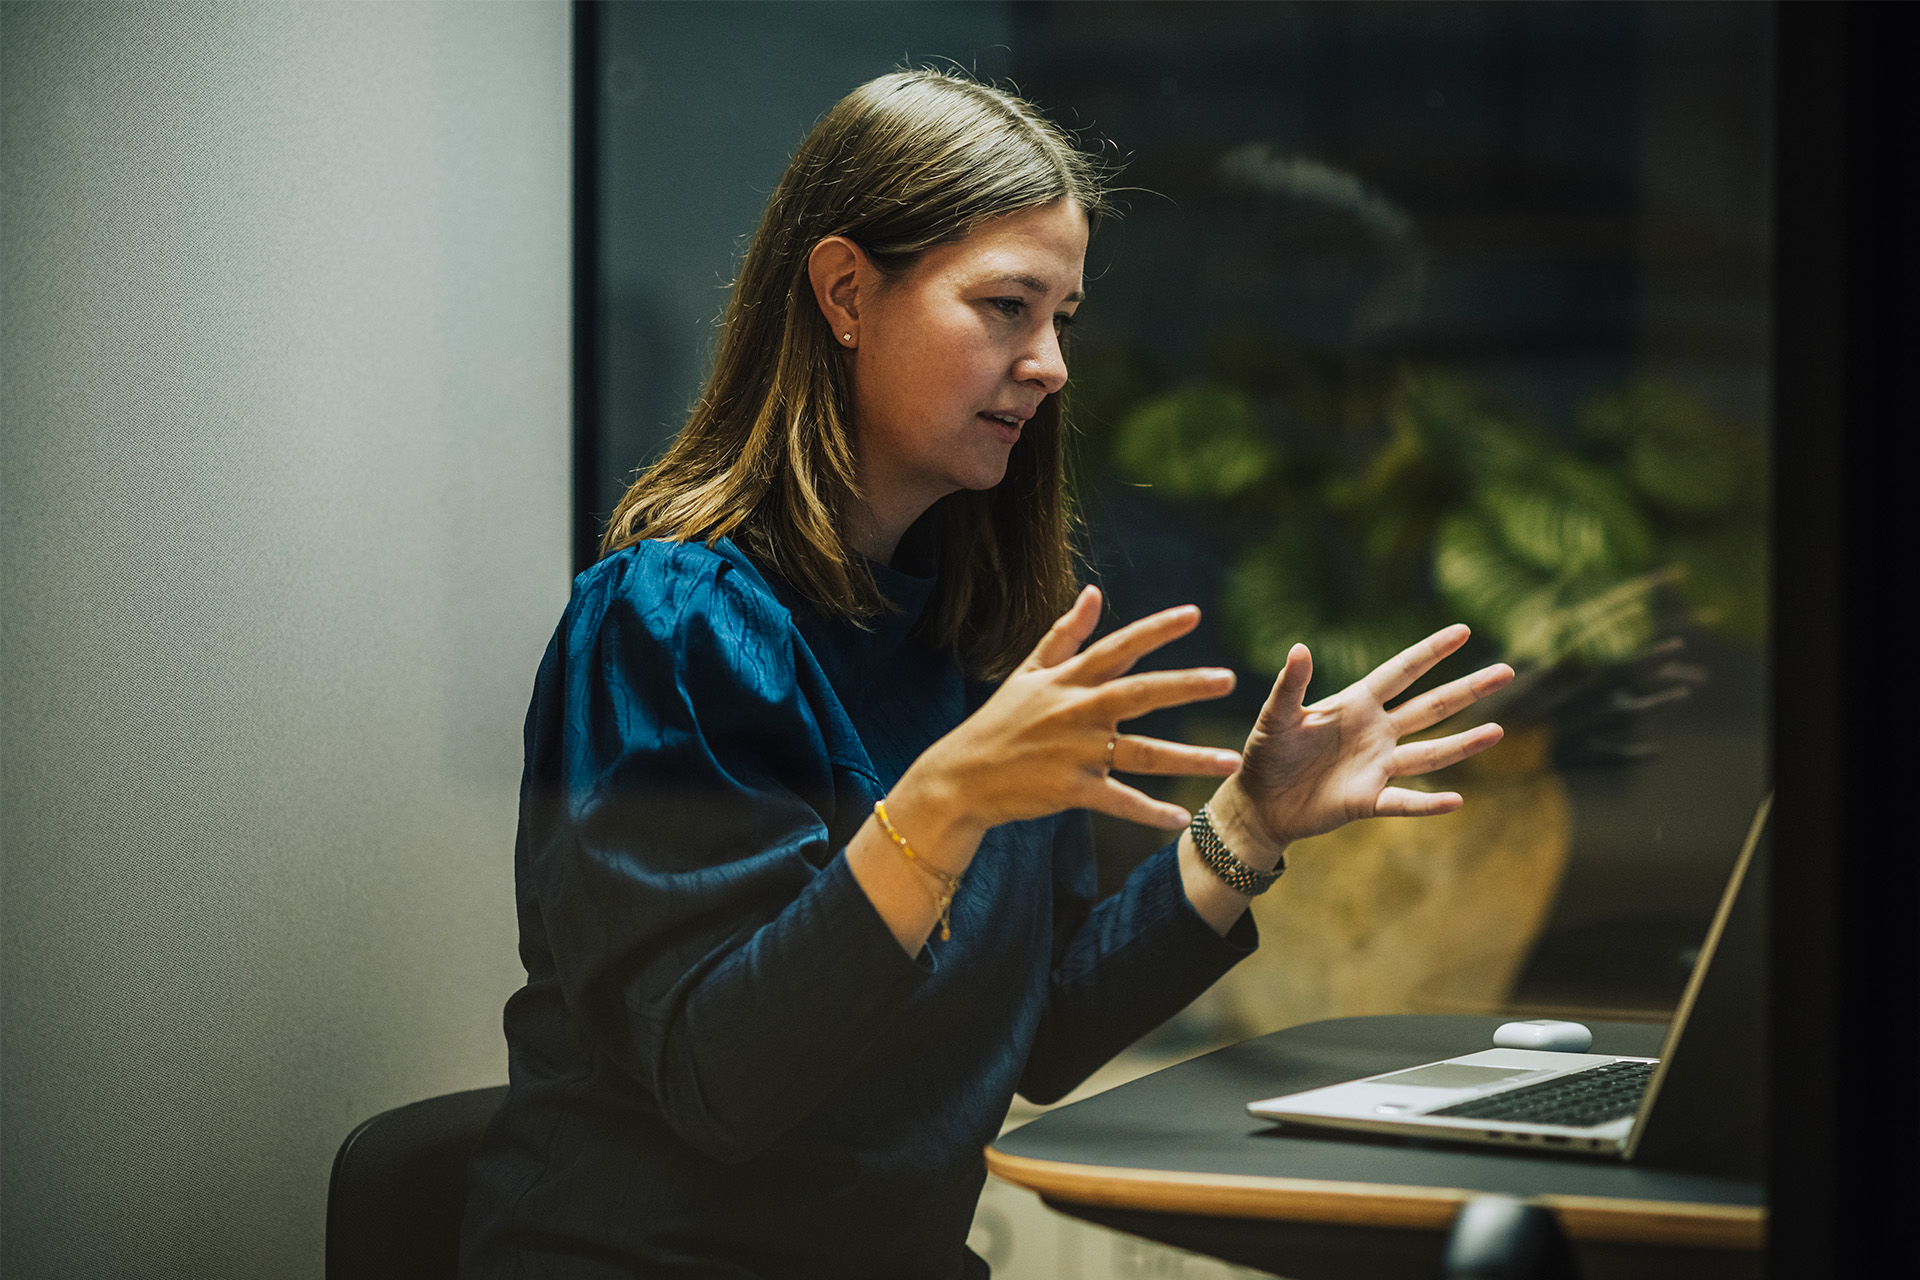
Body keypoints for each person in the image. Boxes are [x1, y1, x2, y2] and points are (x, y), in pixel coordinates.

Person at [460, 68, 1513, 1280]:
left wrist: (1248, 823)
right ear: (847, 292)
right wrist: (946, 801)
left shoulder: (973, 635)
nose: (1052, 361)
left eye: (1063, 316)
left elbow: (1042, 1028)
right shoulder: (667, 624)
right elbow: (723, 1082)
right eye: (1008, 306)